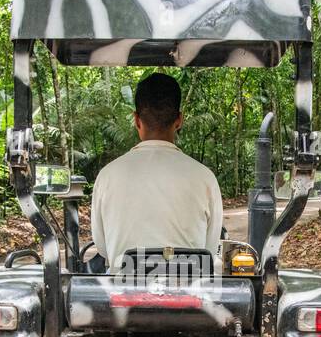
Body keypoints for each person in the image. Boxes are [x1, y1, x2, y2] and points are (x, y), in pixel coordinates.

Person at [90, 72, 223, 271]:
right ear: (179, 120)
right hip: (191, 296)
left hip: (122, 296)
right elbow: (210, 248)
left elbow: (102, 248)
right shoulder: (205, 177)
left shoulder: (107, 175)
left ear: (136, 120)